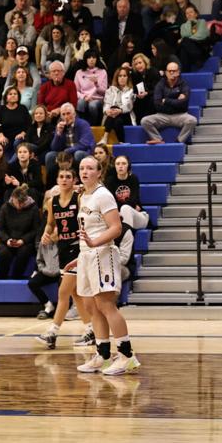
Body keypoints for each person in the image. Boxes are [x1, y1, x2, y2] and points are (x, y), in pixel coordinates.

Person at [73, 157, 139, 375]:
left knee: (107, 305)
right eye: (82, 168)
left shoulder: (103, 195)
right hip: (87, 255)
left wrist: (94, 243)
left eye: (90, 168)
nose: (85, 171)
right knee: (91, 306)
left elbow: (116, 228)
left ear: (99, 172)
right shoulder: (84, 195)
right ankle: (102, 354)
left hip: (103, 254)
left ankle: (126, 355)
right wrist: (82, 253)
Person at [35, 166, 89, 349]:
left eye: (68, 177)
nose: (64, 179)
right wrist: (46, 233)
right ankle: (90, 330)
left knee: (63, 292)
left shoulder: (79, 198)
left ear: (74, 180)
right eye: (61, 177)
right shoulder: (52, 202)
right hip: (63, 249)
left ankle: (52, 332)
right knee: (75, 293)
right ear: (57, 180)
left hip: (78, 247)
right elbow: (50, 224)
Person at [141, 62, 197, 145]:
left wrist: (166, 101)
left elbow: (184, 103)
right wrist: (176, 101)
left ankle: (179, 141)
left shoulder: (184, 85)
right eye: (169, 71)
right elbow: (157, 104)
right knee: (145, 121)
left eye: (174, 71)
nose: (171, 73)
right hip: (162, 116)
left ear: (178, 72)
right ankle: (158, 139)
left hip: (180, 115)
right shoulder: (160, 85)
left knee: (192, 120)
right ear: (166, 72)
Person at [0, 184, 41, 279]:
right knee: (4, 254)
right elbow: (0, 227)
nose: (19, 206)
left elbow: (36, 229)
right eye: (17, 203)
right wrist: (7, 240)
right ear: (13, 198)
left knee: (23, 253)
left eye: (22, 203)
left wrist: (23, 240)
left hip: (25, 242)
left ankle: (17, 279)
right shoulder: (5, 207)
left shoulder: (33, 208)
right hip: (8, 240)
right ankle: (2, 279)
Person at [46, 103, 93, 180]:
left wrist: (67, 151)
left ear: (74, 114)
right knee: (50, 155)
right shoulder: (60, 126)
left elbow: (84, 144)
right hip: (66, 154)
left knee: (78, 154)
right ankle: (51, 185)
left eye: (68, 113)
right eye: (63, 114)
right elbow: (54, 147)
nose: (66, 117)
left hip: (82, 152)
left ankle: (81, 182)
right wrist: (58, 133)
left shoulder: (83, 124)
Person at [73, 50, 107, 125]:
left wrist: (96, 84)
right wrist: (84, 97)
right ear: (85, 59)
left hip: (97, 99)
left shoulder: (102, 72)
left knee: (92, 105)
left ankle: (93, 126)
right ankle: (81, 125)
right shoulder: (79, 72)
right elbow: (75, 91)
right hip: (84, 98)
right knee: (80, 102)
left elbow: (104, 92)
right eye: (89, 57)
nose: (91, 59)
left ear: (97, 59)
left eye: (94, 57)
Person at [0, 86, 30, 153]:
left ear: (18, 97)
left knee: (17, 143)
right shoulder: (1, 109)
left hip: (20, 137)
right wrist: (1, 136)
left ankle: (11, 163)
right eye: (10, 94)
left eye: (15, 94)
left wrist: (22, 134)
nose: (13, 95)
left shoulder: (23, 108)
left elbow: (29, 124)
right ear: (6, 97)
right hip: (6, 137)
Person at [177, 5, 211, 72]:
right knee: (183, 50)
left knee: (183, 43)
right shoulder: (183, 26)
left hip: (200, 48)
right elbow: (185, 34)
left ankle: (185, 73)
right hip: (189, 50)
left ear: (196, 14)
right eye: (187, 13)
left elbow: (200, 35)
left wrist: (185, 39)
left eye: (191, 12)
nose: (189, 14)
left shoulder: (202, 22)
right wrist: (186, 39)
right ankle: (195, 63)